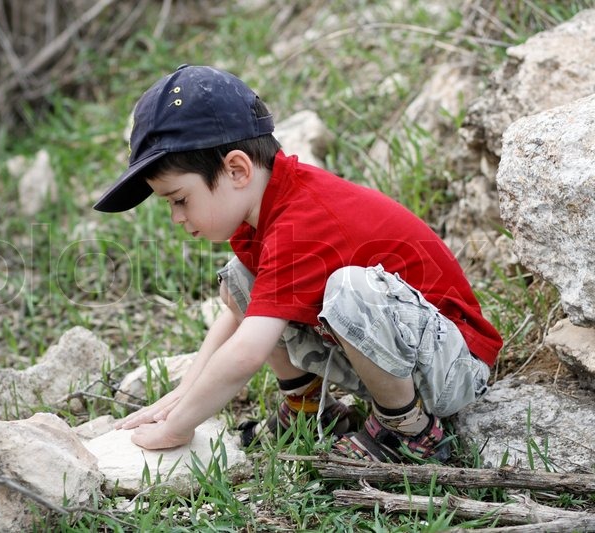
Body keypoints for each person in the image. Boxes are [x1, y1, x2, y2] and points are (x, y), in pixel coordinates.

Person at [94, 65, 502, 462]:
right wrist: (183, 392)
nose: (177, 217)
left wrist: (177, 428)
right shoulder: (262, 214)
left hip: (455, 365)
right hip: (405, 359)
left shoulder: (304, 219)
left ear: (236, 169)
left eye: (180, 199)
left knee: (351, 290)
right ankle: (310, 410)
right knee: (239, 280)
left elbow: (247, 353)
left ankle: (409, 430)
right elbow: (239, 318)